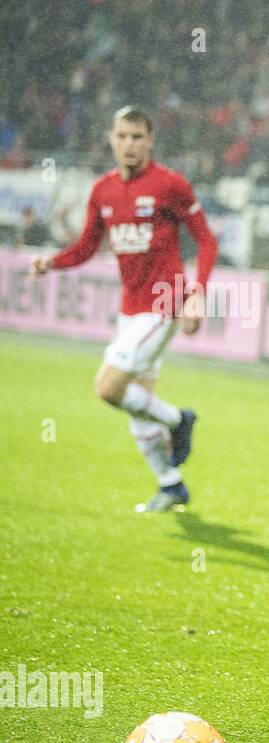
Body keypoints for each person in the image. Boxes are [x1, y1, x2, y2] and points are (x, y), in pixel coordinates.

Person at [31, 106, 216, 512]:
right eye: (122, 136)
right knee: (136, 403)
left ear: (150, 141)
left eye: (137, 137)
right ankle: (171, 486)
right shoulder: (103, 191)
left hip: (164, 301)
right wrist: (52, 262)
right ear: (111, 139)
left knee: (108, 388)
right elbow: (85, 247)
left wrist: (197, 292)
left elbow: (206, 240)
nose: (129, 144)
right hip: (130, 308)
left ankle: (179, 420)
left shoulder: (171, 185)